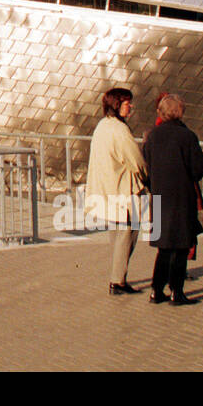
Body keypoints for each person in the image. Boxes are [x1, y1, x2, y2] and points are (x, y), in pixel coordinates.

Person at [142, 94, 203, 305]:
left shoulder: (152, 136)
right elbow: (197, 169)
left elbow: (147, 167)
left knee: (163, 248)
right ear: (180, 111)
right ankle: (177, 292)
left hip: (159, 199)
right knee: (181, 247)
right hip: (181, 199)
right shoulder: (187, 137)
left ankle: (156, 290)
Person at [84, 87, 148, 295]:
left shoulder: (102, 126)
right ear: (117, 104)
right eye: (127, 103)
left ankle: (117, 276)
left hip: (107, 189)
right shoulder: (120, 130)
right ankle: (118, 280)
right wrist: (147, 177)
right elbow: (136, 160)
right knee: (127, 234)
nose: (130, 107)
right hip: (123, 191)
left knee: (117, 234)